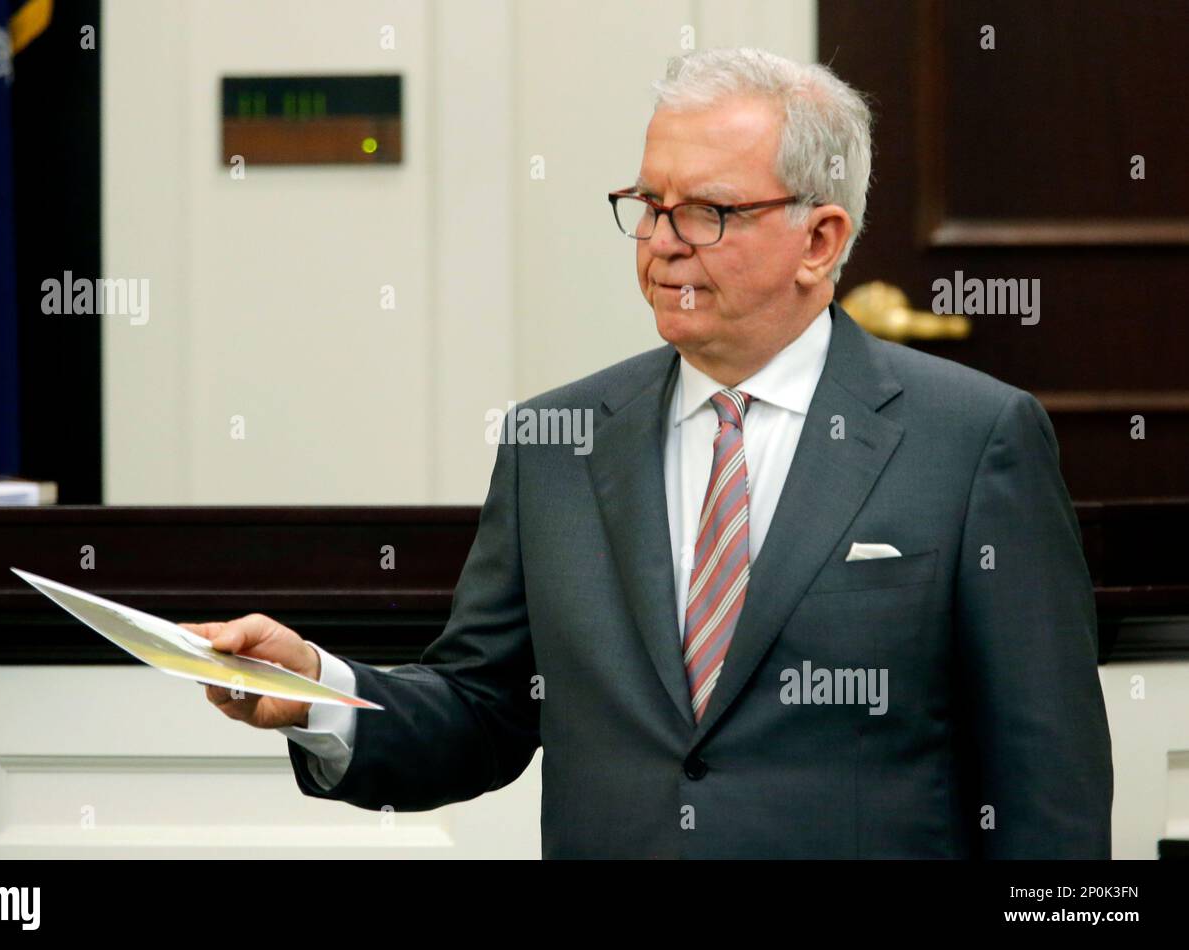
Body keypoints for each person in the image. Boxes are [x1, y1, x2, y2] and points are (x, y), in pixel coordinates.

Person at [182, 48, 1112, 859]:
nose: (661, 245)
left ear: (819, 241)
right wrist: (315, 690)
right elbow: (485, 709)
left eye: (706, 212)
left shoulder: (973, 438)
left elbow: (1046, 782)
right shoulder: (557, 440)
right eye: (647, 205)